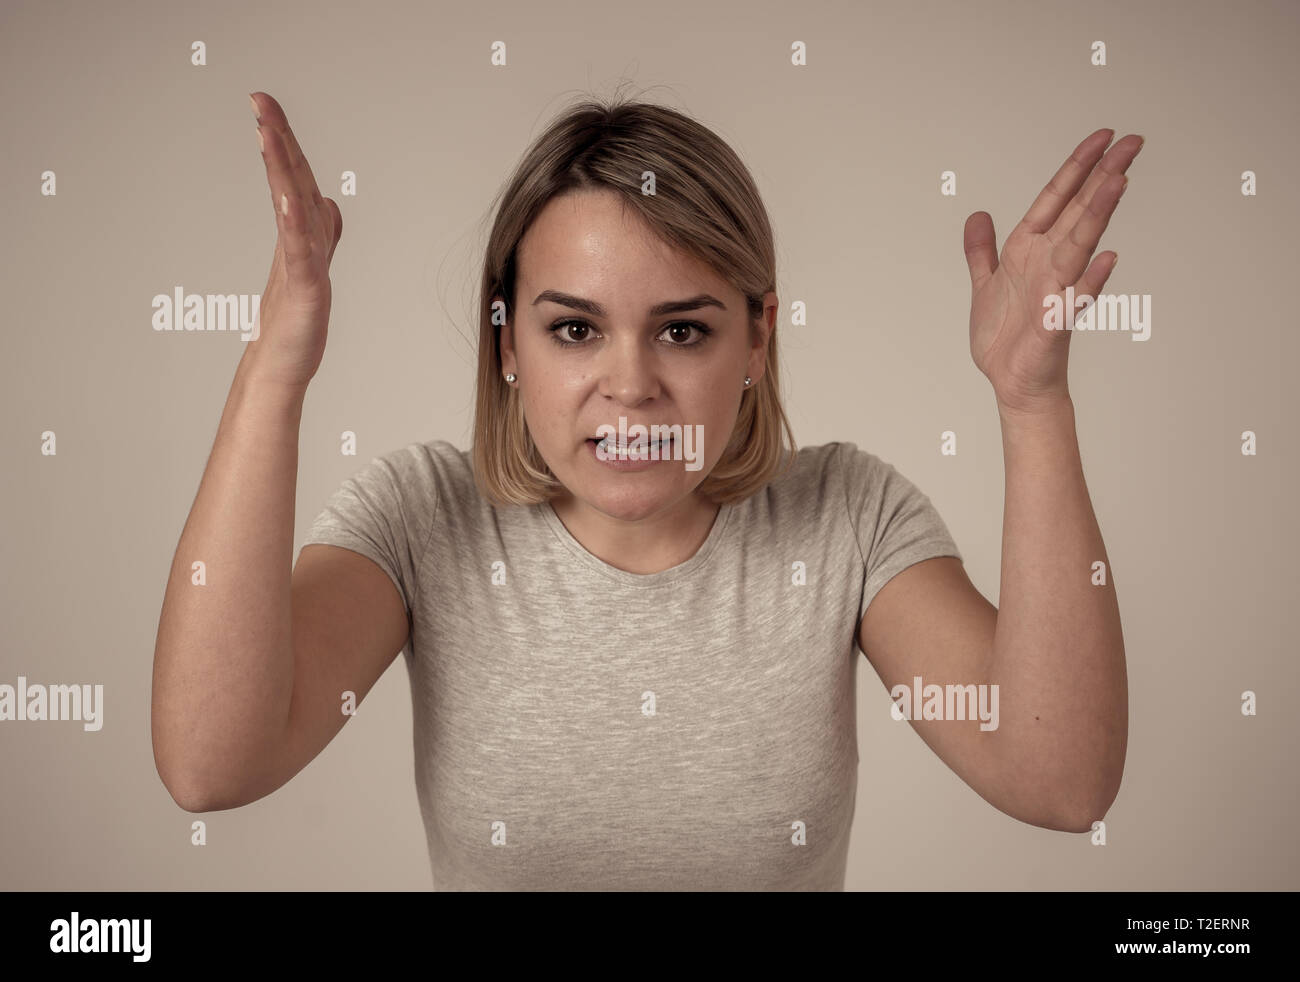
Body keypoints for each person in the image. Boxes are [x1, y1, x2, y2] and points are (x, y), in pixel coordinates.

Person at [151, 89, 1133, 891]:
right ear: (507, 342)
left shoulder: (846, 516)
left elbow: (1058, 779)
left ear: (757, 338)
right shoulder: (422, 518)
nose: (630, 384)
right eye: (574, 328)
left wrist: (1030, 401)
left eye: (683, 328)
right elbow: (211, 763)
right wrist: (272, 373)